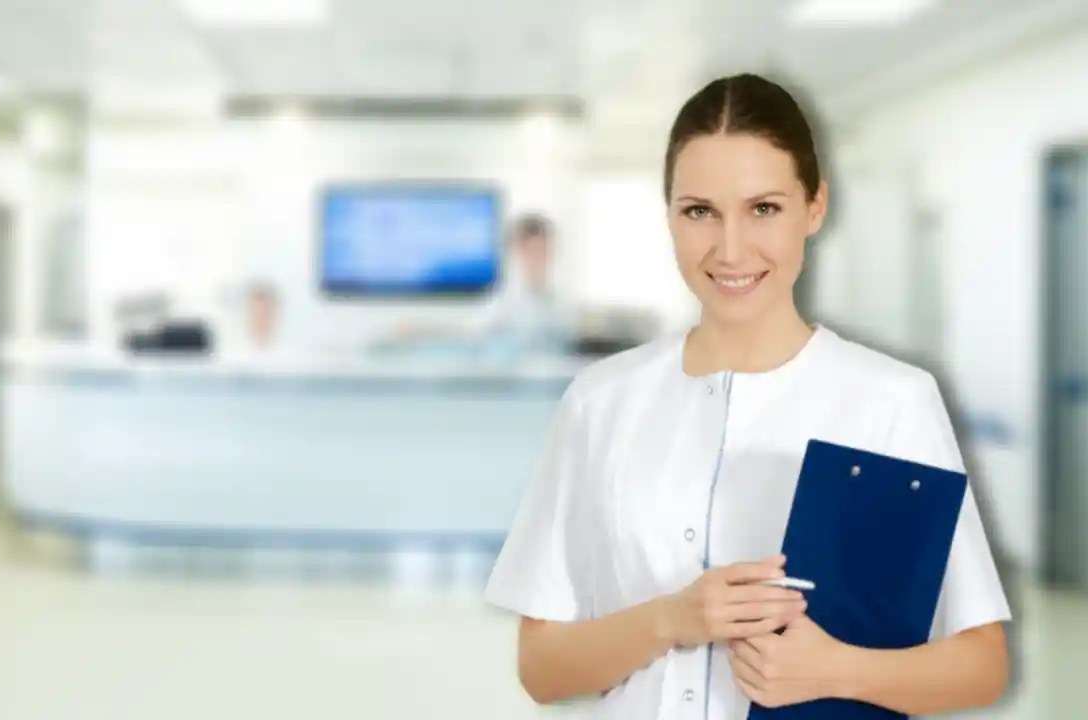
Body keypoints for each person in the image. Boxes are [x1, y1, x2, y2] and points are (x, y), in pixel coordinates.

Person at [484, 73, 1010, 719]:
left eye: (764, 208)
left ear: (814, 207)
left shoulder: (892, 400)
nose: (730, 250)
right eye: (699, 211)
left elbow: (981, 664)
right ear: (670, 215)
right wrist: (672, 618)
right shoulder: (601, 401)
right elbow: (541, 670)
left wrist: (836, 670)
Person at [373, 213, 576, 355]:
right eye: (529, 252)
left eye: (542, 252)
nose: (536, 260)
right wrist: (415, 329)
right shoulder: (505, 300)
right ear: (515, 252)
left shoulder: (561, 304)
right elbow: (467, 332)